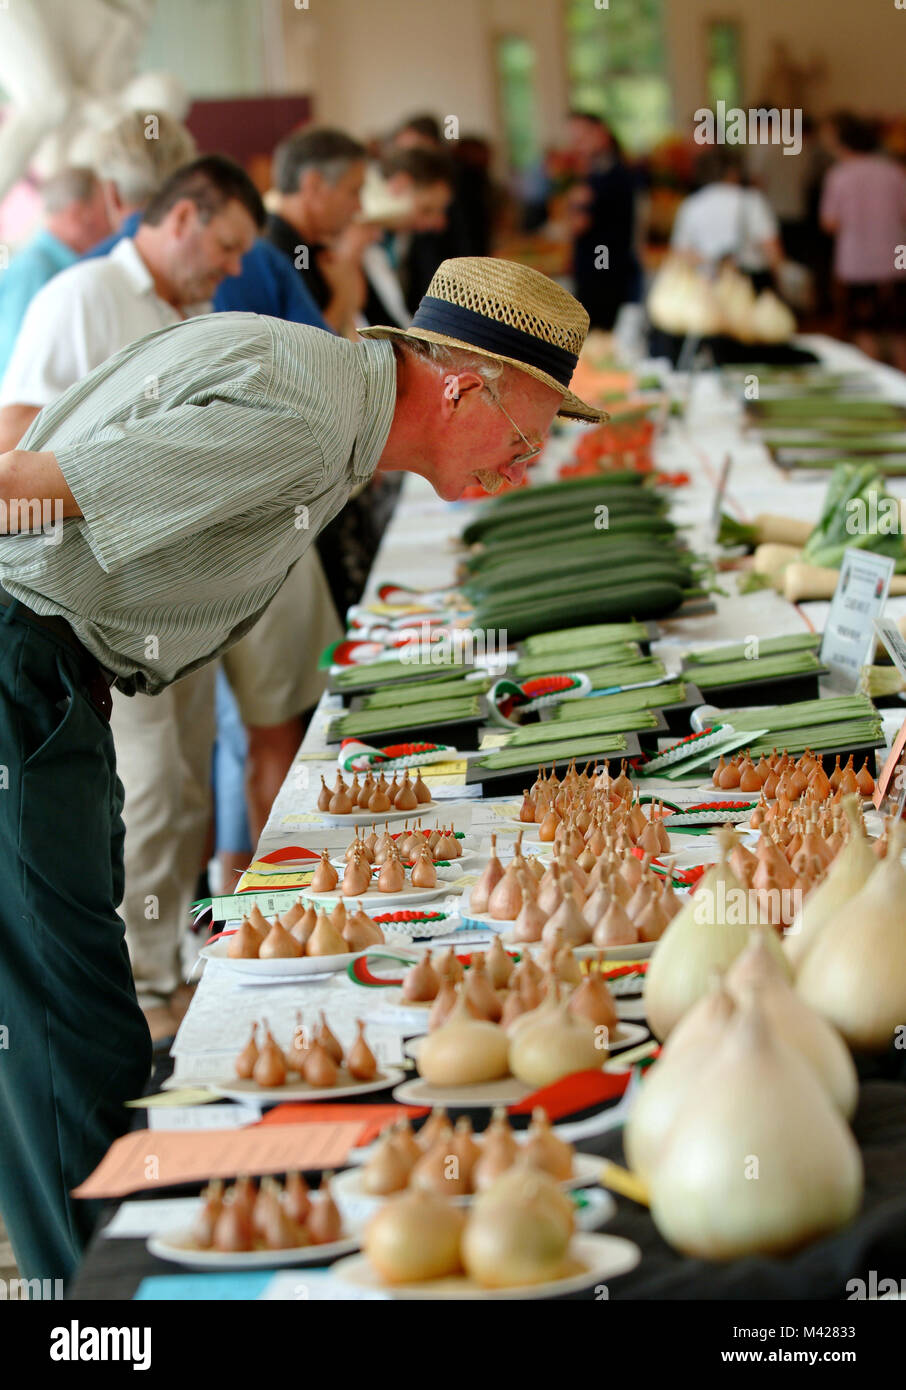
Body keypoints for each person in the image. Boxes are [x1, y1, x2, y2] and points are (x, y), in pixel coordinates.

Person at [0, 255, 603, 1283]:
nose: (525, 462)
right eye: (528, 432)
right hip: (23, 668)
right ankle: (97, 1310)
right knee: (70, 1034)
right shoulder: (308, 422)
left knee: (62, 1003)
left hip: (53, 673)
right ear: (463, 386)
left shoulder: (322, 385)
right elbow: (22, 487)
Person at [0, 155, 264, 1046]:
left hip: (180, 591)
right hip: (103, 594)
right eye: (224, 246)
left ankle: (170, 954)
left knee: (185, 780)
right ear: (183, 215)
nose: (230, 269)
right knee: (147, 788)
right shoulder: (81, 295)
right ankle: (147, 985)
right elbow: (13, 439)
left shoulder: (184, 309)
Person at [85, 110, 330, 332]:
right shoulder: (262, 257)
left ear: (112, 194)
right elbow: (324, 359)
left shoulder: (84, 281)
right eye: (226, 247)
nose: (233, 267)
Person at [0, 168, 111, 377]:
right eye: (106, 212)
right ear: (77, 215)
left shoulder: (50, 265)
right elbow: (16, 363)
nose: (113, 226)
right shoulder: (35, 267)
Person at [820, 114, 906, 369]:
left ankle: (877, 383)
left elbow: (829, 222)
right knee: (898, 328)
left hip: (857, 262)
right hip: (897, 259)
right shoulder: (894, 171)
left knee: (863, 328)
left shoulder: (839, 175)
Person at [267, 127, 369, 334]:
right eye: (353, 191)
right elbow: (300, 354)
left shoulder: (310, 247)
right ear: (313, 186)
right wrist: (343, 296)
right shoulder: (273, 252)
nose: (359, 207)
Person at [565, 111, 642, 330]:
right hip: (608, 266)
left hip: (602, 272)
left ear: (601, 133)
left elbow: (578, 224)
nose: (577, 146)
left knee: (598, 335)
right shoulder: (612, 170)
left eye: (581, 138)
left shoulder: (606, 176)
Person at [670, 147, 783, 293]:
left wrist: (710, 262)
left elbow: (680, 253)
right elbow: (771, 249)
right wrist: (779, 280)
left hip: (705, 289)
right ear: (732, 172)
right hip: (748, 285)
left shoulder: (692, 204)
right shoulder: (751, 200)